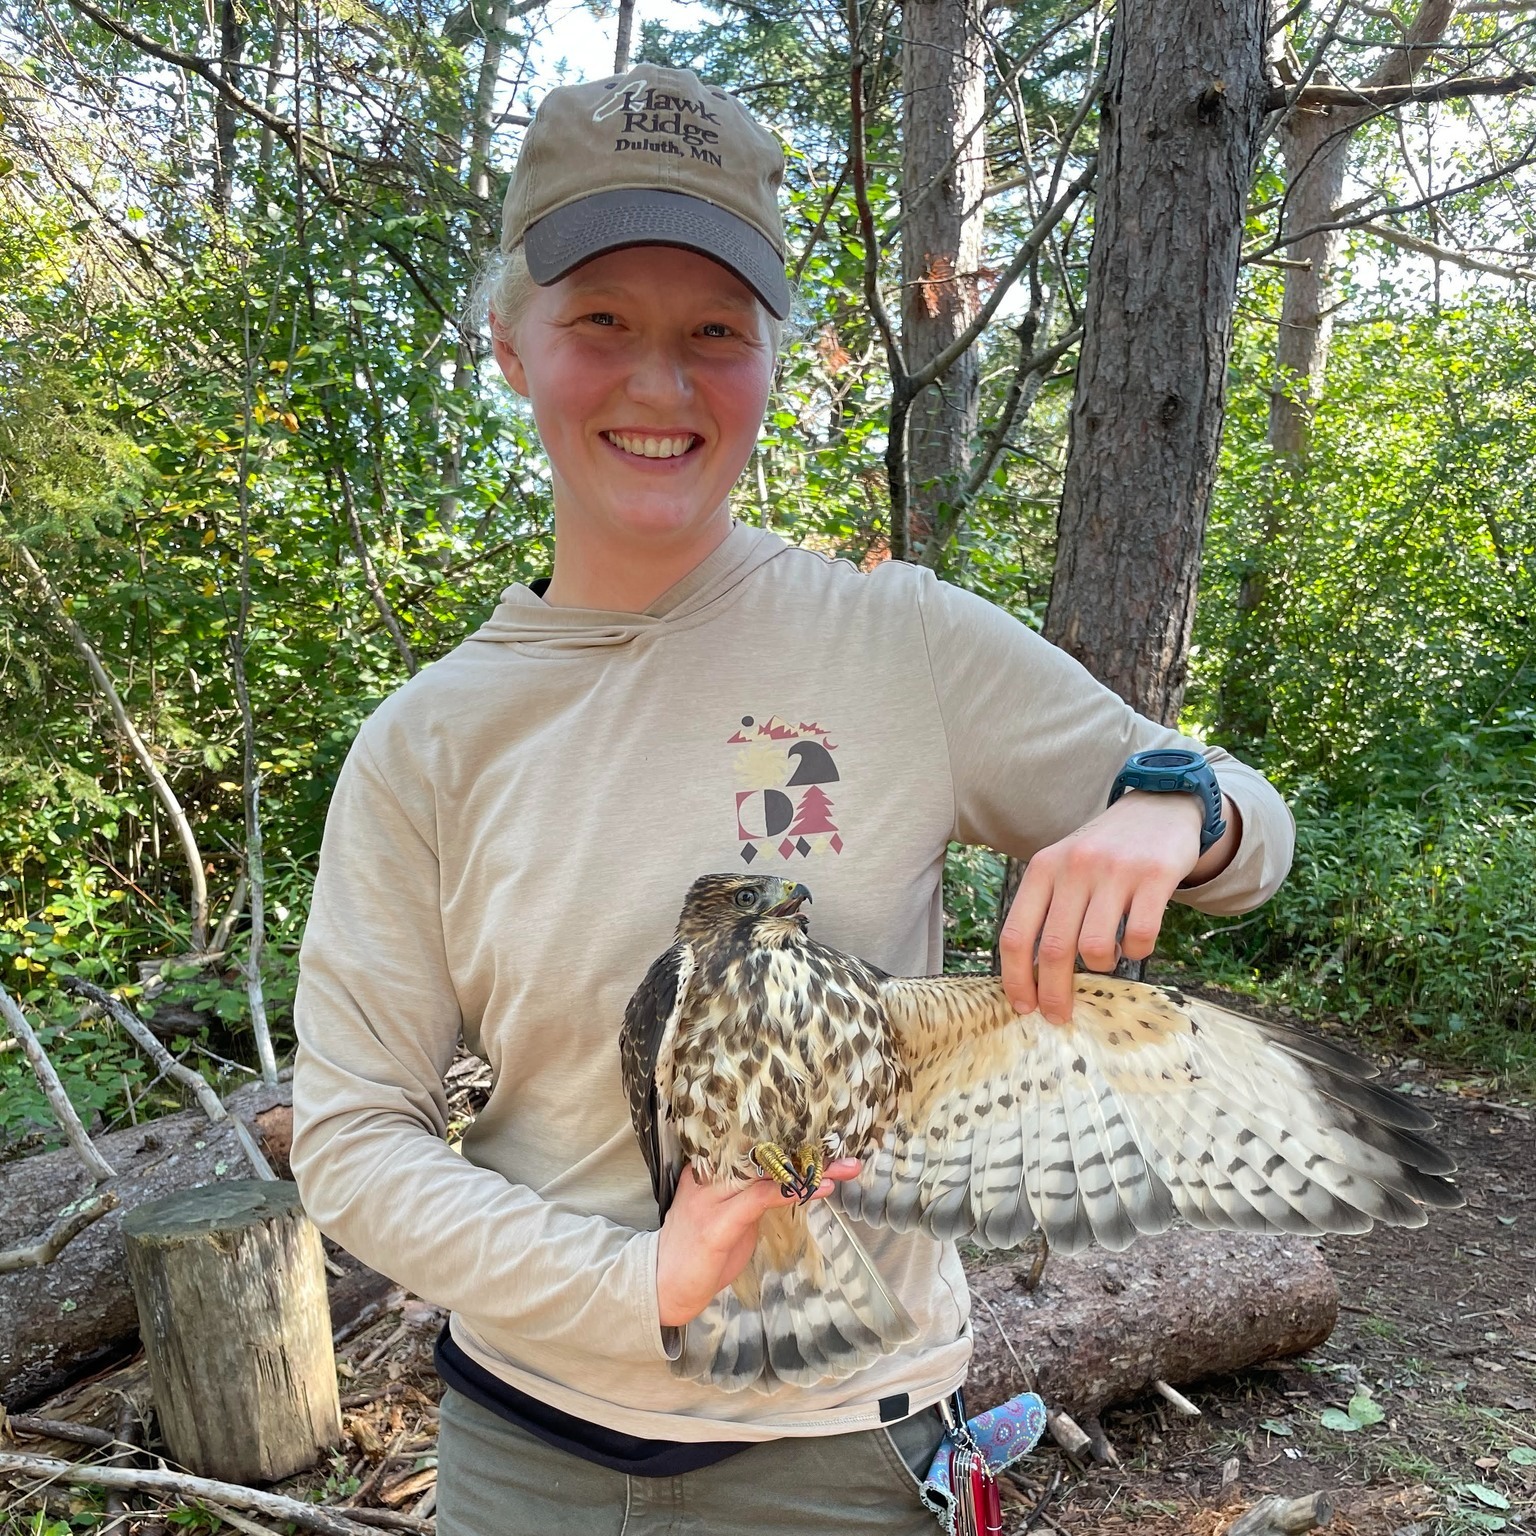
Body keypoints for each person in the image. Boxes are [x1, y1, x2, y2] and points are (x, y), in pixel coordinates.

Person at [290, 64, 1295, 1536]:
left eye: (713, 332)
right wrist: (630, 1287)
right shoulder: (427, 741)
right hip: (524, 1456)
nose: (659, 380)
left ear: (773, 359)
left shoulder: (902, 645)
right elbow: (355, 1131)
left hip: (842, 1449)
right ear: (507, 342)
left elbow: (1247, 830)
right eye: (600, 322)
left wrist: (1171, 798)